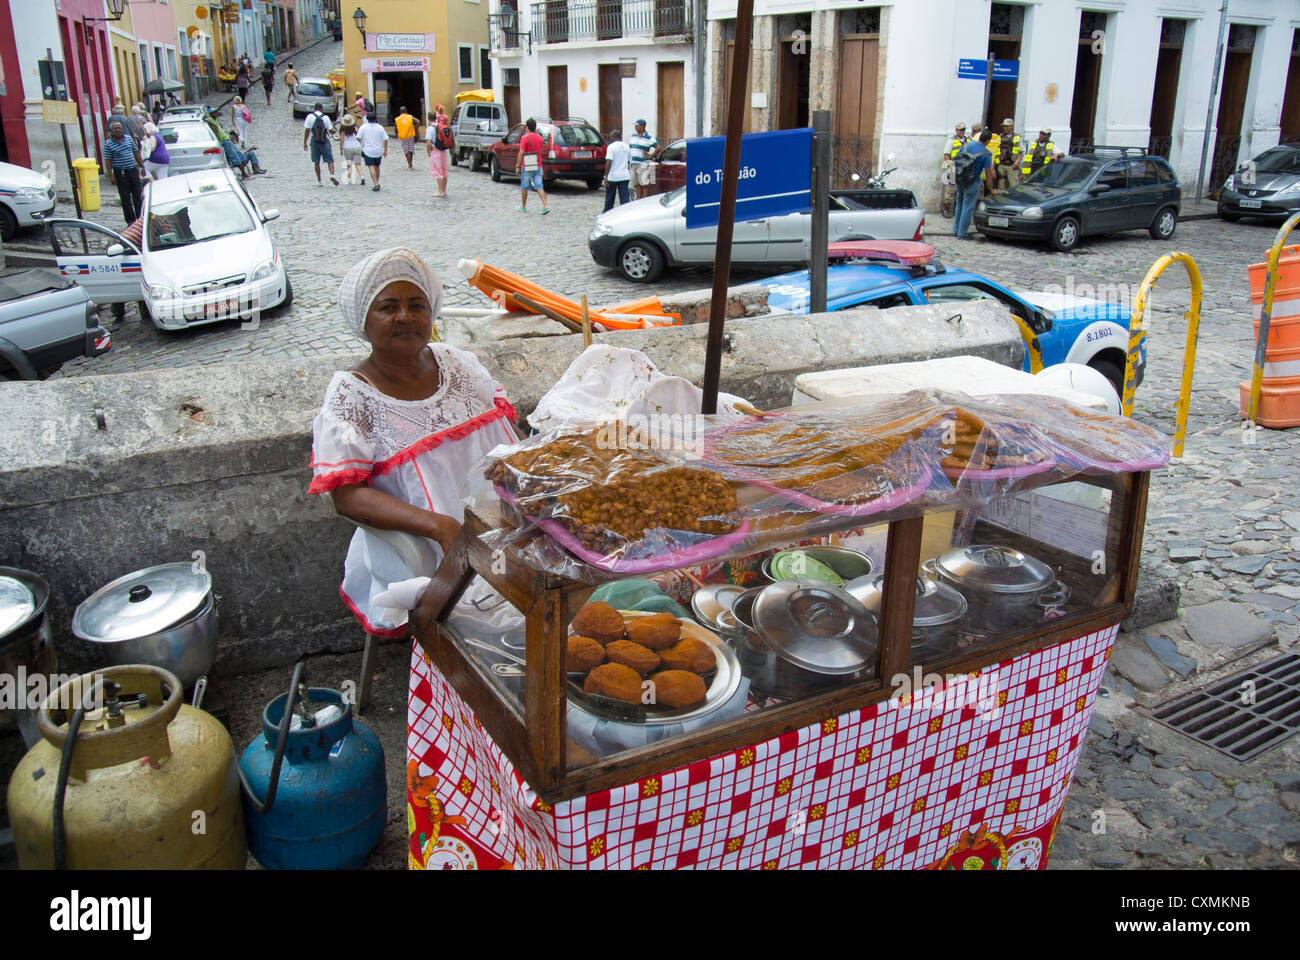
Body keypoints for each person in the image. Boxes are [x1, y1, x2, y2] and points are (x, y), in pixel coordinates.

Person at [310, 247, 517, 638]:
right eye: (388, 307)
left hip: (504, 522)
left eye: (416, 305)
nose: (405, 316)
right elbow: (347, 496)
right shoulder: (352, 393)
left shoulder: (457, 363)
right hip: (423, 545)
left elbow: (507, 434)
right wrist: (440, 526)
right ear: (363, 320)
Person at [953, 128, 994, 240]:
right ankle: (962, 233)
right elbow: (988, 173)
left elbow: (955, 160)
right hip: (972, 182)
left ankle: (955, 229)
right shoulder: (986, 153)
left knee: (959, 204)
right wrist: (991, 189)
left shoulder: (966, 145)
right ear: (988, 140)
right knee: (967, 207)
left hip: (960, 179)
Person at [103, 121, 144, 224]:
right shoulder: (108, 144)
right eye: (115, 128)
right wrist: (111, 175)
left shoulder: (129, 139)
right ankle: (130, 220)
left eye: (119, 128)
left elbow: (136, 152)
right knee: (125, 198)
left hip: (132, 170)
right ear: (111, 131)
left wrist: (142, 166)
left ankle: (140, 218)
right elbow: (108, 160)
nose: (118, 130)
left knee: (137, 195)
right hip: (121, 173)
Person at [516, 117, 548, 214]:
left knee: (524, 187)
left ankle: (523, 206)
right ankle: (545, 206)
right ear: (535, 127)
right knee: (539, 186)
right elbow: (540, 149)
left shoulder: (524, 138)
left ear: (527, 127)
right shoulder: (540, 138)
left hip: (527, 166)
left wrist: (518, 165)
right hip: (538, 164)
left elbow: (521, 152)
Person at [303, 103, 340, 185]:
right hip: (324, 141)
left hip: (314, 141)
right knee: (330, 160)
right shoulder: (326, 118)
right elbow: (330, 131)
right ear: (321, 109)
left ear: (314, 109)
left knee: (316, 162)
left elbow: (307, 131)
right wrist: (335, 131)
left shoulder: (309, 117)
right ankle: (332, 175)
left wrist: (305, 142)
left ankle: (319, 180)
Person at [357, 112, 389, 191]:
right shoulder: (380, 127)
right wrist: (385, 150)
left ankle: (375, 183)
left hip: (368, 150)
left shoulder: (363, 127)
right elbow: (385, 139)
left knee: (371, 167)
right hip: (378, 150)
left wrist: (362, 142)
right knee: (377, 166)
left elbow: (358, 137)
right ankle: (376, 182)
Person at [941, 121, 966, 218]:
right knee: (950, 189)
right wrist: (950, 166)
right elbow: (946, 154)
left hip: (964, 168)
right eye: (960, 130)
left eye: (963, 130)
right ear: (956, 131)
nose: (962, 132)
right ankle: (946, 208)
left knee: (961, 189)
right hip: (954, 167)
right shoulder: (951, 141)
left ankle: (957, 209)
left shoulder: (967, 140)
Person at [627, 119, 658, 200]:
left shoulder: (649, 137)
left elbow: (658, 148)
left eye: (637, 125)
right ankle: (638, 200)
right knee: (637, 184)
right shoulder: (633, 136)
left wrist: (650, 156)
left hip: (643, 164)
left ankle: (644, 200)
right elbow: (630, 148)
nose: (635, 127)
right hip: (633, 163)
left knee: (644, 184)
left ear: (642, 126)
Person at [602, 128, 631, 212]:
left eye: (610, 137)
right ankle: (626, 213)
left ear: (614, 137)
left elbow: (608, 162)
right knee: (625, 199)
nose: (609, 139)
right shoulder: (626, 146)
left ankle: (607, 213)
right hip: (624, 176)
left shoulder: (611, 147)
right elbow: (629, 161)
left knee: (610, 199)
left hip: (613, 176)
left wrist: (606, 176)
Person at [426, 107, 450, 197]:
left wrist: (428, 152)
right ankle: (444, 190)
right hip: (443, 151)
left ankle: (440, 191)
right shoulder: (439, 126)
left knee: (438, 172)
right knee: (444, 171)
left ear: (428, 118)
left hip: (435, 151)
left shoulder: (430, 128)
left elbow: (428, 142)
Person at [994, 117, 1022, 192]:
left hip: (1012, 165)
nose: (1004, 128)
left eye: (1007, 126)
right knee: (1001, 185)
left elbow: (1022, 152)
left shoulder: (1017, 137)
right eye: (1004, 126)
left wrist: (1017, 162)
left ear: (1011, 126)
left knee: (1014, 186)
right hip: (1001, 164)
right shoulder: (999, 137)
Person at [339, 113, 365, 185]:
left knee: (349, 163)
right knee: (358, 164)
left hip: (347, 147)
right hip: (357, 146)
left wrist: (341, 150)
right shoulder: (356, 128)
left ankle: (350, 178)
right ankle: (362, 176)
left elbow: (342, 140)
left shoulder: (343, 129)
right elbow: (359, 138)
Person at [394, 106, 418, 170]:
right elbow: (418, 122)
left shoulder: (397, 119)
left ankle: (410, 165)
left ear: (400, 112)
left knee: (406, 151)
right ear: (406, 111)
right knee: (411, 150)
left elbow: (396, 129)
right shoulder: (410, 117)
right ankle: (411, 164)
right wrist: (415, 130)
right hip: (411, 136)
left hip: (403, 137)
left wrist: (396, 134)